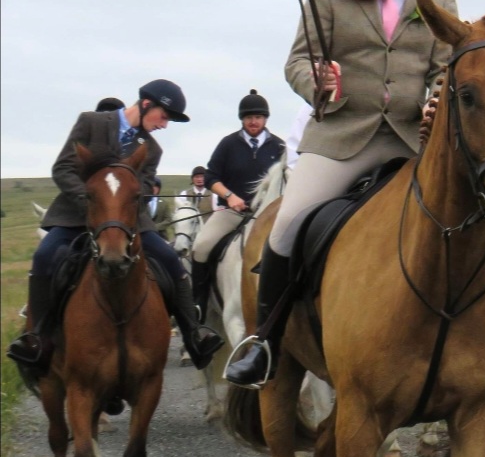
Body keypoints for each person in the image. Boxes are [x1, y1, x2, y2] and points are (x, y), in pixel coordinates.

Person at [225, 0, 458, 386]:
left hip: (414, 140)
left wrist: (436, 101)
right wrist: (318, 83)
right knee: (286, 224)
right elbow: (296, 61)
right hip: (343, 135)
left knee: (472, 212)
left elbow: (445, 67)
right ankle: (265, 339)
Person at [6, 80, 223, 375]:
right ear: (147, 104)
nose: (165, 124)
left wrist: (123, 203)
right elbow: (63, 168)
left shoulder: (151, 149)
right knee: (44, 256)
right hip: (77, 215)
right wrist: (91, 202)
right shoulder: (91, 122)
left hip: (128, 222)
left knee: (171, 260)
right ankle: (37, 337)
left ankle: (193, 334)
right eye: (165, 116)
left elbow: (145, 186)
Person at [189, 90, 287, 317]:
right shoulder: (228, 144)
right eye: (249, 117)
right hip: (232, 213)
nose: (254, 121)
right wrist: (230, 196)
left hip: (268, 216)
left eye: (259, 117)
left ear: (266, 119)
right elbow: (211, 177)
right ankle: (198, 310)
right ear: (242, 119)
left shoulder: (280, 147)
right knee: (201, 247)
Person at [148, 177, 176, 242]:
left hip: (161, 236)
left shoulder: (164, 203)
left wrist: (156, 227)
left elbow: (168, 220)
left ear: (159, 189)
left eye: (156, 187)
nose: (154, 188)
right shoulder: (143, 202)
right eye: (152, 186)